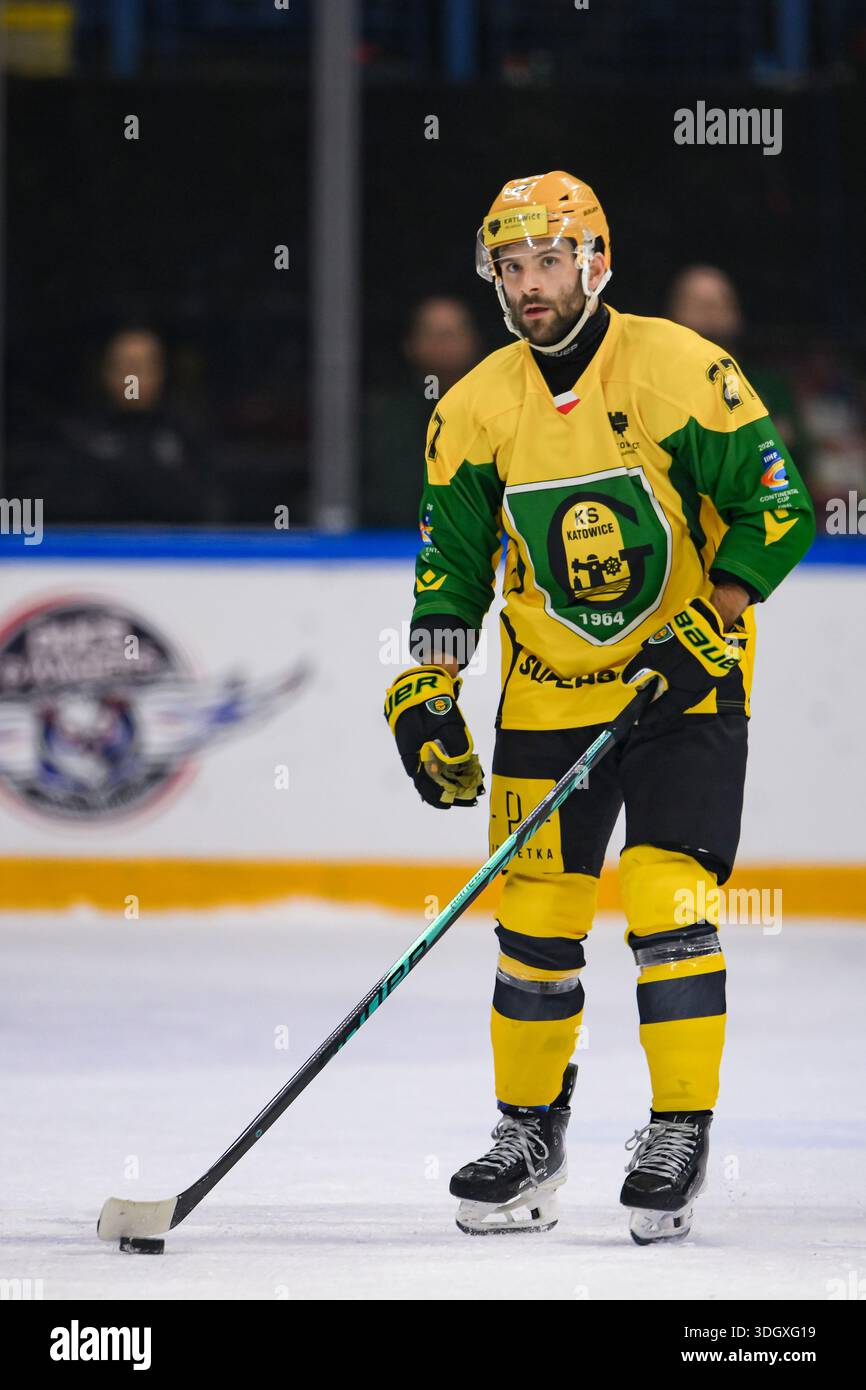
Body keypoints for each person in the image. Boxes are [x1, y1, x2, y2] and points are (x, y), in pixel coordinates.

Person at [383, 172, 815, 1242]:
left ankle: (675, 1128)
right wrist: (427, 685)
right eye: (511, 268)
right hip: (550, 688)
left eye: (548, 261)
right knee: (533, 926)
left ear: (593, 261)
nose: (530, 286)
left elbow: (780, 506)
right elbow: (449, 571)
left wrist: (711, 617)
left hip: (684, 682)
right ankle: (527, 1130)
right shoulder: (477, 405)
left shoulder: (678, 370)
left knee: (666, 901)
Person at [362, 297, 483, 527]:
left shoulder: (495, 409)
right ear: (411, 344)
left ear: (473, 341)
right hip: (395, 545)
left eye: (453, 333)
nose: (444, 344)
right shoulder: (388, 415)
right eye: (434, 334)